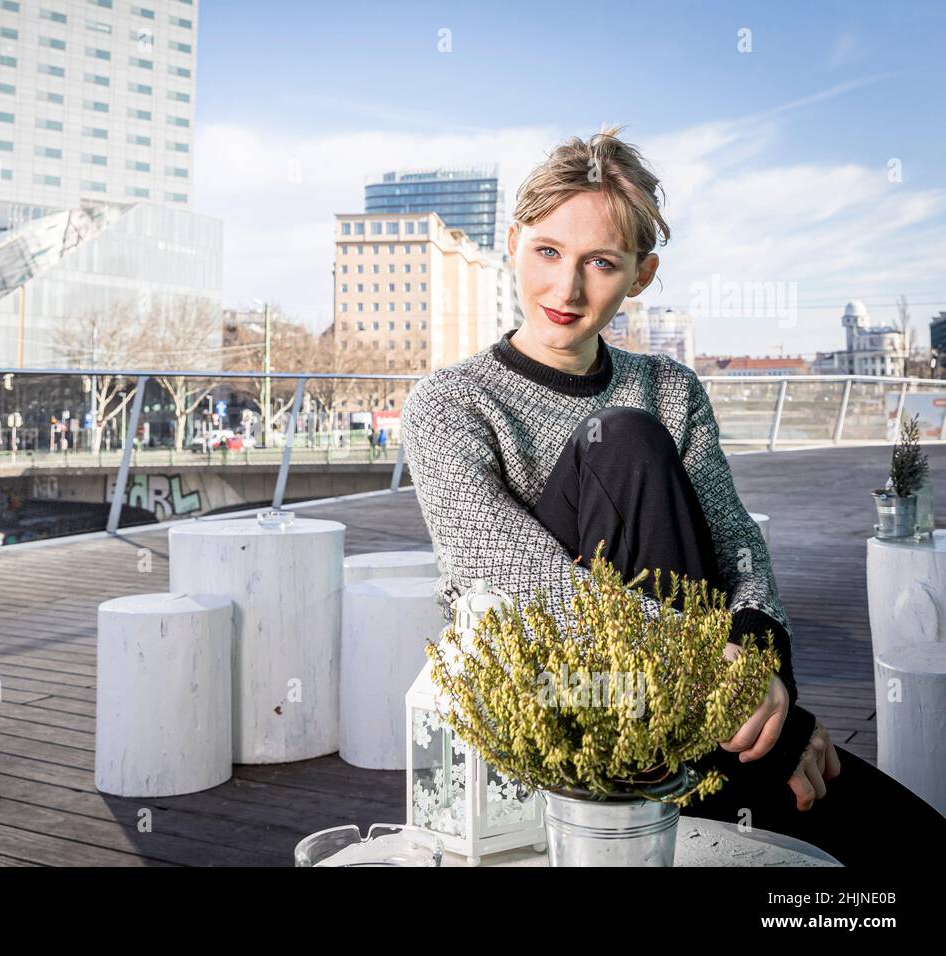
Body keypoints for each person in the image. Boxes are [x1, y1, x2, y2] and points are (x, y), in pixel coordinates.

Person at [401, 124, 946, 867]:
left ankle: (726, 757)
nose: (566, 289)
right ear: (513, 241)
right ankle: (720, 754)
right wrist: (724, 690)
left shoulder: (669, 387)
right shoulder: (451, 403)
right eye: (548, 253)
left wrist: (763, 681)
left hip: (706, 700)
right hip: (560, 695)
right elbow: (517, 575)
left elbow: (734, 541)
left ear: (641, 274)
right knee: (620, 440)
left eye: (600, 263)